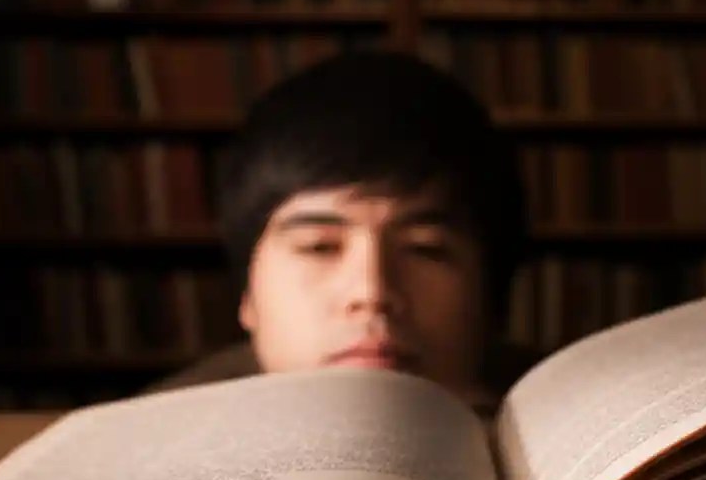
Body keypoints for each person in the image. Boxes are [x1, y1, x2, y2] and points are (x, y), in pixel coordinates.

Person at [147, 49, 537, 411]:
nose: (372, 292)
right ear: (248, 296)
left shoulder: (560, 424)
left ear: (490, 294)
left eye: (426, 249)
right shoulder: (150, 437)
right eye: (319, 247)